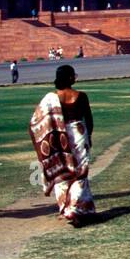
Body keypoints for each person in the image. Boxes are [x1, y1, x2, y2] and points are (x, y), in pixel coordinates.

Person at [29, 65, 96, 226]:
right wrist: (89, 137)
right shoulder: (81, 96)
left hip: (59, 136)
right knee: (81, 171)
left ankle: (67, 208)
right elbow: (89, 119)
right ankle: (76, 208)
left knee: (63, 171)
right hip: (79, 134)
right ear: (71, 78)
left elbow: (35, 121)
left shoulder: (51, 98)